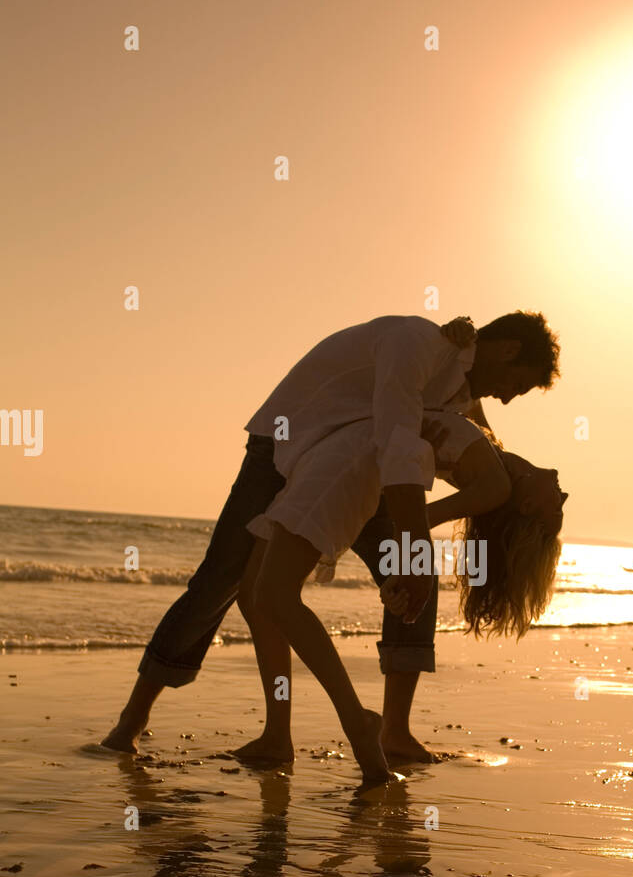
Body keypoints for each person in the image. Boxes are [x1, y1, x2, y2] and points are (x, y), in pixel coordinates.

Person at [101, 310, 562, 758]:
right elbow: (400, 440)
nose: (507, 398)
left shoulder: (462, 393)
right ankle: (134, 721)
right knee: (223, 580)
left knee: (410, 576)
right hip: (284, 446)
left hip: (352, 465)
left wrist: (518, 506)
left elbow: (481, 454)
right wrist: (416, 539)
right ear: (508, 348)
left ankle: (393, 732)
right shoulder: (417, 343)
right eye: (517, 384)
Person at [236, 407, 566, 781]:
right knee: (255, 595)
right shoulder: (494, 454)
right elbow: (463, 399)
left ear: (525, 506)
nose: (563, 489)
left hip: (367, 481)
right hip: (362, 469)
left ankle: (381, 729)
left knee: (266, 595)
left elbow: (422, 517)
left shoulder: (497, 486)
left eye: (558, 505)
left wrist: (401, 569)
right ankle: (289, 732)